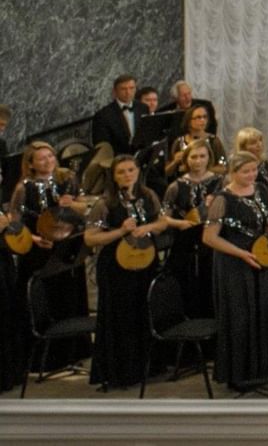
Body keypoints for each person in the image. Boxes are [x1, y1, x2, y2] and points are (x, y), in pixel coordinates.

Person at [83, 155, 168, 390]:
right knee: (120, 317)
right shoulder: (105, 203)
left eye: (131, 170)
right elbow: (90, 237)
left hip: (145, 260)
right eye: (121, 172)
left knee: (144, 312)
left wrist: (148, 227)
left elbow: (162, 223)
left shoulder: (148, 195)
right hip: (116, 267)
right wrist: (120, 231)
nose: (127, 175)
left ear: (138, 171)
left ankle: (147, 367)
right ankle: (120, 371)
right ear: (114, 176)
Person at [203, 152, 268, 393]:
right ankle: (239, 373)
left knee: (262, 312)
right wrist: (241, 254)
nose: (251, 175)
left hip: (262, 257)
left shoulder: (261, 190)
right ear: (232, 173)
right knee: (240, 316)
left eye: (254, 170)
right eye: (245, 172)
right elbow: (209, 238)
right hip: (234, 265)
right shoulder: (223, 199)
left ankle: (262, 369)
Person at [161, 139, 219, 318]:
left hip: (211, 242)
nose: (198, 161)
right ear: (186, 160)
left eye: (202, 156)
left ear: (209, 157)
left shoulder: (219, 182)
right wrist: (180, 224)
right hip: (185, 241)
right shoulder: (176, 186)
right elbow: (163, 217)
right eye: (194, 157)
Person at [90, 74, 146, 158]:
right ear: (115, 92)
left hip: (142, 156)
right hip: (118, 160)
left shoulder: (143, 108)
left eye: (131, 88)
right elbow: (103, 146)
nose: (128, 92)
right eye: (123, 89)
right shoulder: (103, 115)